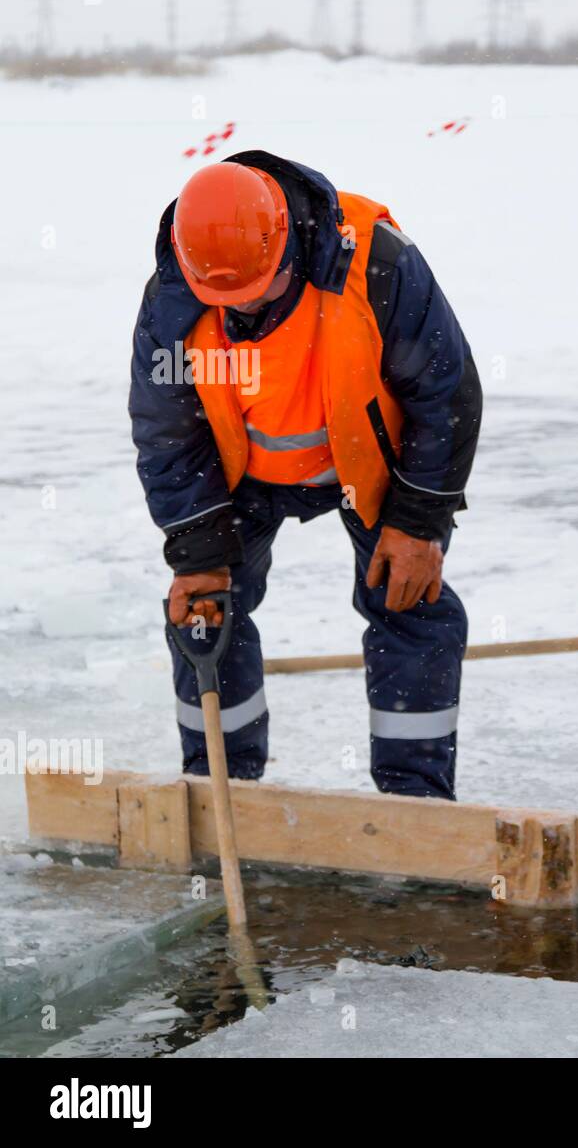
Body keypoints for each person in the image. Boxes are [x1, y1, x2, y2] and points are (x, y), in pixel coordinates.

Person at [129, 152, 481, 798]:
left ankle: (416, 802)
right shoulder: (175, 295)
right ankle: (220, 787)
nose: (245, 306)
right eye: (225, 298)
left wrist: (418, 521)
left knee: (410, 602)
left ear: (287, 238)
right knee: (208, 611)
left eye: (258, 287)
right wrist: (199, 552)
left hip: (376, 462)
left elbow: (445, 393)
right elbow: (167, 432)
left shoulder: (379, 261)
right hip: (240, 476)